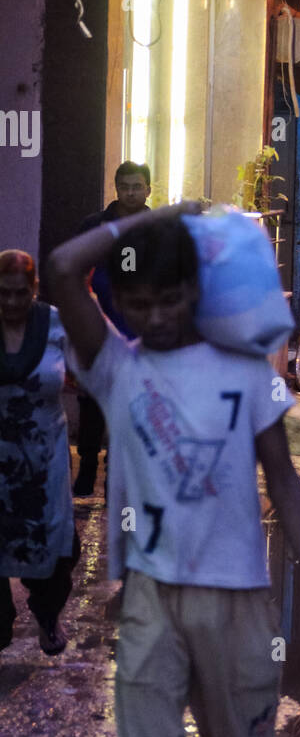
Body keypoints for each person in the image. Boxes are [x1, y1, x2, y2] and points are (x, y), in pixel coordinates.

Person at [46, 203, 300, 737]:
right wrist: (163, 216)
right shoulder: (117, 367)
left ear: (196, 294)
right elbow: (60, 267)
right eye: (138, 304)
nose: (156, 317)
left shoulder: (244, 373)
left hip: (238, 598)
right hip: (149, 599)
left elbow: (286, 482)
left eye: (170, 299)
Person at [0, 250, 79, 656]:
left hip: (44, 461)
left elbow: (88, 371)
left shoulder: (54, 324)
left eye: (20, 294)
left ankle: (47, 617)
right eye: (3, 294)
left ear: (34, 290)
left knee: (55, 550)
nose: (11, 303)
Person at [72, 161, 152, 497]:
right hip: (98, 328)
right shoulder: (95, 225)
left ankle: (117, 477)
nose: (131, 193)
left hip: (139, 333)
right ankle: (87, 467)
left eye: (137, 186)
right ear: (116, 188)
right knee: (91, 404)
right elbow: (74, 268)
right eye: (125, 187)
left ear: (148, 189)